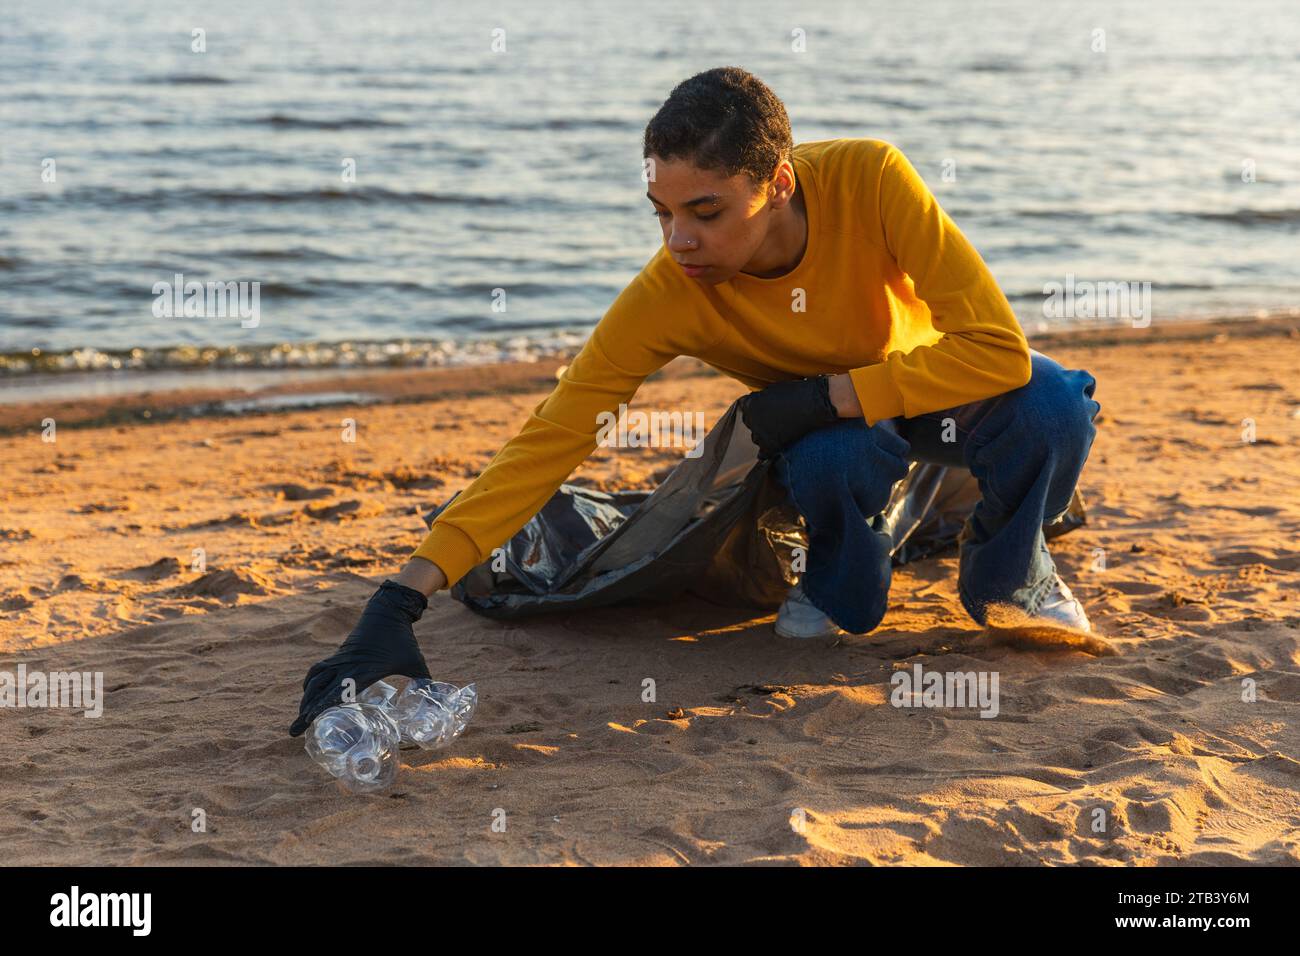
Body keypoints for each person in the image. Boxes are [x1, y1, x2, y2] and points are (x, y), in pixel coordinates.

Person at [289, 66, 1101, 736]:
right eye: (662, 213)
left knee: (1059, 402)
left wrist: (828, 394)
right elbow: (553, 437)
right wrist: (399, 598)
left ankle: (1008, 568)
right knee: (845, 543)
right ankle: (834, 573)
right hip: (829, 446)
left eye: (705, 212)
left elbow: (993, 346)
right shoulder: (669, 291)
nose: (679, 240)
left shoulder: (871, 178)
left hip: (933, 390)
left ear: (778, 183)